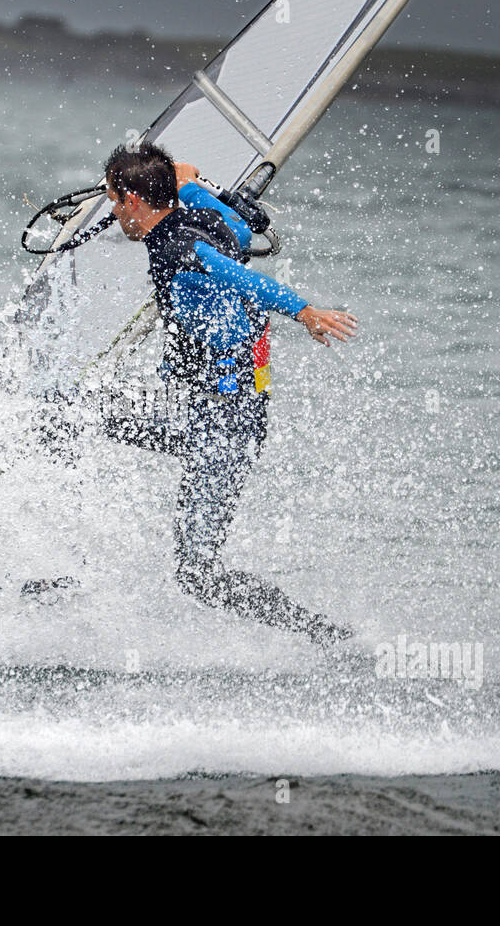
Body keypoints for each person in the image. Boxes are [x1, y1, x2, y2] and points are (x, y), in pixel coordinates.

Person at [100, 142, 359, 647]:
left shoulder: (180, 247)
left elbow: (238, 274)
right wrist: (190, 181)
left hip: (220, 425)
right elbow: (241, 230)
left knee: (197, 573)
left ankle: (323, 635)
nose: (112, 213)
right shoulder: (211, 220)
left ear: (133, 200)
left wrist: (306, 312)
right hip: (215, 411)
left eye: (113, 200)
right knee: (85, 416)